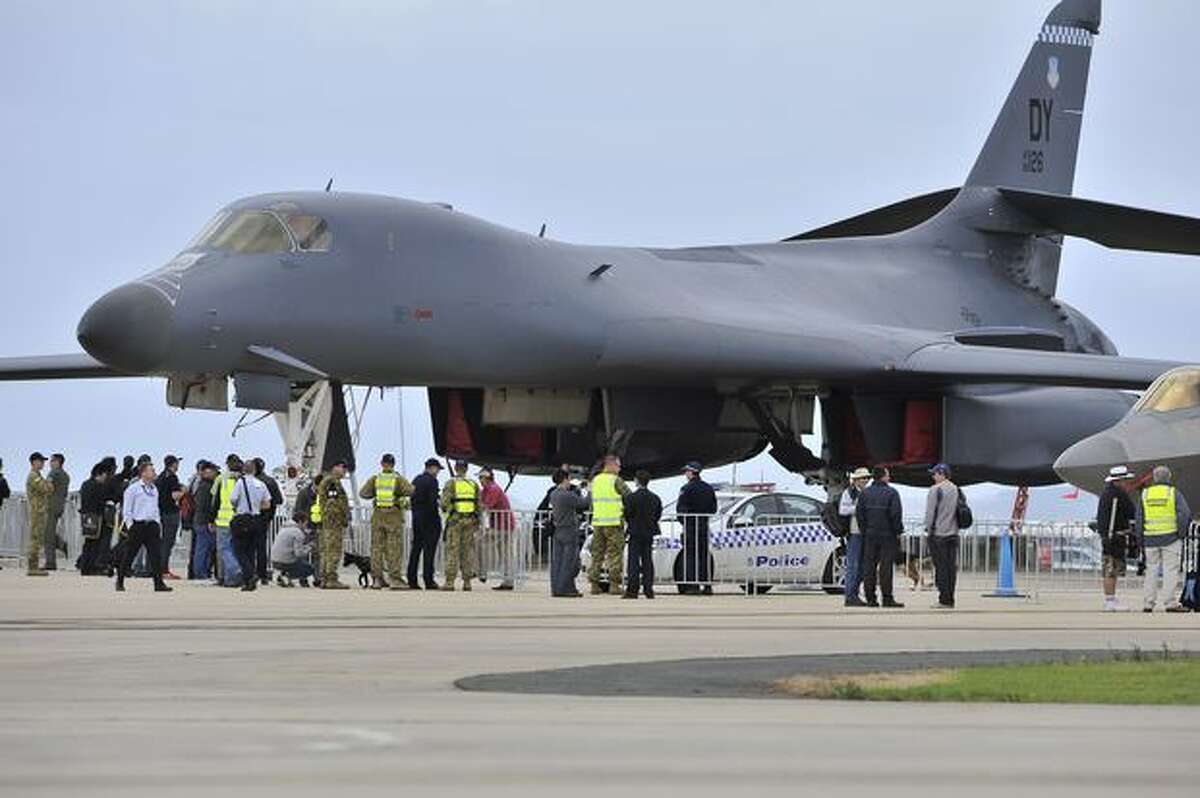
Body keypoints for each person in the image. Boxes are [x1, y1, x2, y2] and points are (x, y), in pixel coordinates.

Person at [1135, 465, 1193, 613]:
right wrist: (1180, 533)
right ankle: (1170, 603)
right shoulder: (1173, 493)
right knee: (1170, 571)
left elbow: (1139, 518)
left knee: (1151, 571)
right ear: (1169, 477)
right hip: (1170, 538)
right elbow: (1184, 513)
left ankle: (1148, 603)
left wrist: (1140, 538)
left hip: (1150, 539)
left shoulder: (1145, 494)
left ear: (1154, 478)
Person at [359, 454, 414, 590]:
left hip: (378, 516)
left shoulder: (375, 479)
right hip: (393, 516)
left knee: (377, 548)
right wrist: (398, 496)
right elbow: (411, 490)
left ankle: (377, 580)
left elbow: (363, 494)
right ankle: (394, 579)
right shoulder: (397, 479)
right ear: (393, 464)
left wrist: (377, 494)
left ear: (381, 463)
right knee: (394, 549)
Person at [116, 462, 172, 592]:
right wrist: (131, 526)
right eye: (151, 470)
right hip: (138, 525)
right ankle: (120, 581)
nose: (154, 473)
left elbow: (155, 508)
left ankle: (158, 583)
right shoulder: (133, 489)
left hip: (152, 525)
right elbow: (127, 510)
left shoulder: (154, 489)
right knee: (129, 554)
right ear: (144, 473)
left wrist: (157, 523)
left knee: (155, 556)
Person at [855, 466, 905, 608]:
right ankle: (887, 598)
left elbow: (860, 515)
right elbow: (896, 515)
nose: (889, 477)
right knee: (886, 567)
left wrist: (864, 531)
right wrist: (897, 532)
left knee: (869, 566)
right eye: (888, 475)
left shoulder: (865, 493)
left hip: (870, 535)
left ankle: (871, 598)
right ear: (883, 476)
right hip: (887, 535)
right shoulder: (892, 493)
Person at [1096, 465, 1137, 612]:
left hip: (1107, 535)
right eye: (1125, 480)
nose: (1127, 483)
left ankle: (1110, 598)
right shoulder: (1118, 494)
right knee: (1112, 569)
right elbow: (1131, 511)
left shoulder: (1106, 493)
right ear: (1119, 481)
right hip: (1115, 536)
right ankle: (1110, 600)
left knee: (1109, 567)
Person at [587, 455, 631, 595]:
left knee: (597, 554)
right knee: (615, 554)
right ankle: (614, 585)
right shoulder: (616, 480)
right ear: (610, 465)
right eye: (618, 465)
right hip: (613, 523)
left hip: (598, 523)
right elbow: (629, 497)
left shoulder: (596, 480)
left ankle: (594, 585)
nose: (620, 468)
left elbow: (591, 502)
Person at [229, 461, 270, 592]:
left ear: (244, 470)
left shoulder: (240, 483)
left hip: (242, 518)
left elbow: (233, 499)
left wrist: (238, 506)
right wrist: (256, 506)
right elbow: (267, 504)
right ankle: (249, 582)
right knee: (251, 551)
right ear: (254, 470)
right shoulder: (261, 484)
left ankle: (249, 575)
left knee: (239, 550)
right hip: (256, 519)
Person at [676, 461, 717, 595]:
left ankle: (692, 586)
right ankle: (707, 585)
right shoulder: (708, 488)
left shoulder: (686, 489)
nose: (685, 474)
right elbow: (713, 509)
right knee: (704, 555)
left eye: (686, 471)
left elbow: (680, 510)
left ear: (691, 472)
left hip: (691, 527)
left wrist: (685, 522)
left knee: (691, 556)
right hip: (704, 526)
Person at [440, 460, 481, 591]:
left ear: (455, 468)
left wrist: (447, 509)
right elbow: (479, 505)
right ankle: (467, 582)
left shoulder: (451, 483)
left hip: (455, 521)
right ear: (466, 469)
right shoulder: (473, 484)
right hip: (470, 521)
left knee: (453, 550)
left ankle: (450, 582)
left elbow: (444, 503)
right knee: (467, 551)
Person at [924, 463, 960, 609]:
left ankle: (943, 599)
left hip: (939, 534)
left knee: (941, 568)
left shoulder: (935, 490)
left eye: (934, 474)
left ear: (941, 474)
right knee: (951, 568)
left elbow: (930, 513)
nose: (933, 477)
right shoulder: (956, 489)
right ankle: (950, 598)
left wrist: (928, 528)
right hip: (953, 533)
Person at [549, 468, 589, 597]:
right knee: (570, 562)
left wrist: (577, 490)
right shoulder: (567, 495)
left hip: (558, 531)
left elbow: (571, 500)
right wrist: (590, 491)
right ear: (565, 479)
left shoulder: (554, 494)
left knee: (558, 562)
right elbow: (584, 503)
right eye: (569, 479)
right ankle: (564, 589)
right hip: (569, 531)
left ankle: (557, 588)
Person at [622, 470, 660, 599]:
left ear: (636, 481)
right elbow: (657, 515)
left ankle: (632, 590)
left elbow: (627, 514)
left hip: (635, 531)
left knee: (633, 562)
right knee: (647, 561)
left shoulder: (631, 498)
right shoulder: (655, 498)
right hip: (649, 532)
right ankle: (648, 589)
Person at [479, 466, 517, 591]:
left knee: (482, 543)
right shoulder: (486, 489)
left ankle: (482, 572)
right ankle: (507, 580)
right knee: (504, 553)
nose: (480, 480)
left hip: (503, 526)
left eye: (482, 477)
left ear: (487, 478)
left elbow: (486, 506)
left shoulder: (493, 489)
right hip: (500, 525)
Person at [210, 455, 246, 587]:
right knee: (236, 549)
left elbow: (215, 501)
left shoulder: (221, 479)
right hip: (240, 519)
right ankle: (230, 579)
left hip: (223, 520)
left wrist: (211, 519)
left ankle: (233, 572)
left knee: (224, 549)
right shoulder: (244, 479)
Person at [316, 460, 352, 590]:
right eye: (344, 469)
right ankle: (331, 578)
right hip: (333, 522)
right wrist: (344, 517)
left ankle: (325, 578)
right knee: (333, 550)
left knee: (327, 550)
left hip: (328, 521)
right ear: (336, 467)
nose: (345, 472)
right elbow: (333, 503)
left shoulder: (328, 481)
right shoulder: (332, 482)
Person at [407, 458, 443, 590]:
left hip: (416, 517)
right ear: (432, 468)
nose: (438, 472)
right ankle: (429, 580)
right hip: (430, 519)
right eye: (437, 469)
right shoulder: (432, 481)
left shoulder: (416, 479)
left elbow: (412, 496)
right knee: (429, 551)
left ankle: (412, 579)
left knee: (415, 549)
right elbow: (433, 502)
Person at [839, 467, 872, 607]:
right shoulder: (849, 493)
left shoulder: (867, 492)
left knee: (862, 566)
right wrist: (859, 508)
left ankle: (854, 593)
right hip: (855, 532)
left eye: (866, 478)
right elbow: (842, 510)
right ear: (856, 480)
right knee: (853, 565)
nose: (865, 480)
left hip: (865, 532)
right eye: (862, 478)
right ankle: (850, 595)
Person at [252, 458, 283, 586]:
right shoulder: (270, 481)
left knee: (248, 547)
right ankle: (262, 575)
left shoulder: (249, 482)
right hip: (265, 519)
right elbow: (279, 500)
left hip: (250, 518)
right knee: (261, 548)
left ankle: (250, 573)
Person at [76, 463, 110, 575]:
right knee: (96, 544)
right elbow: (101, 502)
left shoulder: (85, 484)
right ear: (100, 474)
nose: (105, 477)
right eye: (105, 475)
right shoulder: (98, 486)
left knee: (88, 543)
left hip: (86, 517)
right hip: (96, 517)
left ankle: (85, 567)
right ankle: (91, 567)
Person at [155, 455, 184, 579]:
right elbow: (175, 496)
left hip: (162, 512)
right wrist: (184, 491)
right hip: (171, 513)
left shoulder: (161, 476)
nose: (178, 466)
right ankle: (164, 570)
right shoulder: (172, 477)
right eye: (177, 463)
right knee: (168, 542)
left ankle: (160, 569)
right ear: (173, 464)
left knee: (163, 542)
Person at [189, 461, 218, 580]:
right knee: (203, 549)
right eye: (213, 471)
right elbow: (206, 506)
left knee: (205, 548)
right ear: (205, 472)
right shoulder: (206, 487)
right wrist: (210, 521)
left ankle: (203, 572)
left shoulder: (201, 485)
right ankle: (200, 573)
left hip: (200, 520)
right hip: (203, 522)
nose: (215, 473)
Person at [25, 452, 52, 576]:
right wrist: (49, 483)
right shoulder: (33, 476)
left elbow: (48, 488)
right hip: (36, 511)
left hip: (40, 510)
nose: (43, 463)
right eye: (41, 461)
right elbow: (46, 488)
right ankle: (32, 567)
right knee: (35, 538)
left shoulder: (38, 475)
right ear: (34, 462)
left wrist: (48, 485)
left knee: (38, 538)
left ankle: (34, 565)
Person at [45, 453, 70, 570]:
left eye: (52, 461)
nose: (50, 463)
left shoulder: (53, 473)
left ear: (58, 462)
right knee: (48, 532)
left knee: (47, 535)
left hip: (50, 506)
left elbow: (46, 487)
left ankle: (50, 563)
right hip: (60, 506)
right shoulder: (66, 475)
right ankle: (61, 544)